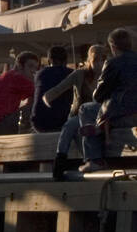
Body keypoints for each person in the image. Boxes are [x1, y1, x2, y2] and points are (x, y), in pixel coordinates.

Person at [78, 28, 137, 172]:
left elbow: (97, 96)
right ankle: (100, 129)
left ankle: (94, 159)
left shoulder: (113, 63)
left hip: (123, 115)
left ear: (113, 46)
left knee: (86, 109)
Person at [49, 44, 104, 179]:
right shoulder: (80, 74)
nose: (99, 63)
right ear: (89, 60)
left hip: (99, 115)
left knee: (71, 125)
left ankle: (65, 161)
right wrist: (47, 99)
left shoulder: (108, 73)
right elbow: (58, 89)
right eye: (96, 59)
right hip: (82, 116)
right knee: (71, 125)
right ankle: (60, 160)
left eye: (102, 59)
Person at [0, 52, 39, 135]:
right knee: (38, 105)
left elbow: (32, 95)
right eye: (30, 66)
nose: (33, 71)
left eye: (36, 68)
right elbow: (41, 93)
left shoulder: (8, 76)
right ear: (19, 66)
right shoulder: (17, 77)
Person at [31, 45, 73, 132]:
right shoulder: (71, 74)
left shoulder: (40, 74)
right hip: (61, 122)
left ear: (49, 60)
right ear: (66, 60)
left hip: (39, 122)